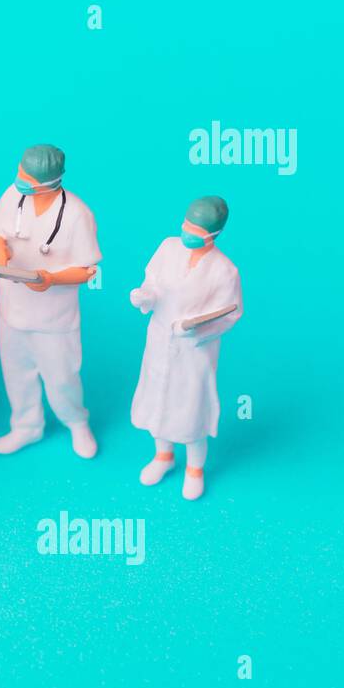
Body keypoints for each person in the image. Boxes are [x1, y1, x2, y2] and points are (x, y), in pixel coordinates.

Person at [0, 144, 101, 458]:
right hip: (11, 311)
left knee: (62, 378)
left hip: (54, 319)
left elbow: (87, 270)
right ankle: (26, 427)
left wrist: (51, 279)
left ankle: (77, 422)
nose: (19, 180)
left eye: (27, 178)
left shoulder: (77, 215)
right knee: (16, 374)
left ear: (49, 181)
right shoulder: (14, 196)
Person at [129, 196, 243, 500]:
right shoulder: (168, 248)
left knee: (190, 411)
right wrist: (145, 297)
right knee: (157, 403)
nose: (186, 232)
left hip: (194, 352)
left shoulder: (224, 271)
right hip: (158, 341)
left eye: (195, 229)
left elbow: (230, 313)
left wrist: (195, 330)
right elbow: (153, 281)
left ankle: (195, 469)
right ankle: (163, 457)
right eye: (185, 225)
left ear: (212, 233)